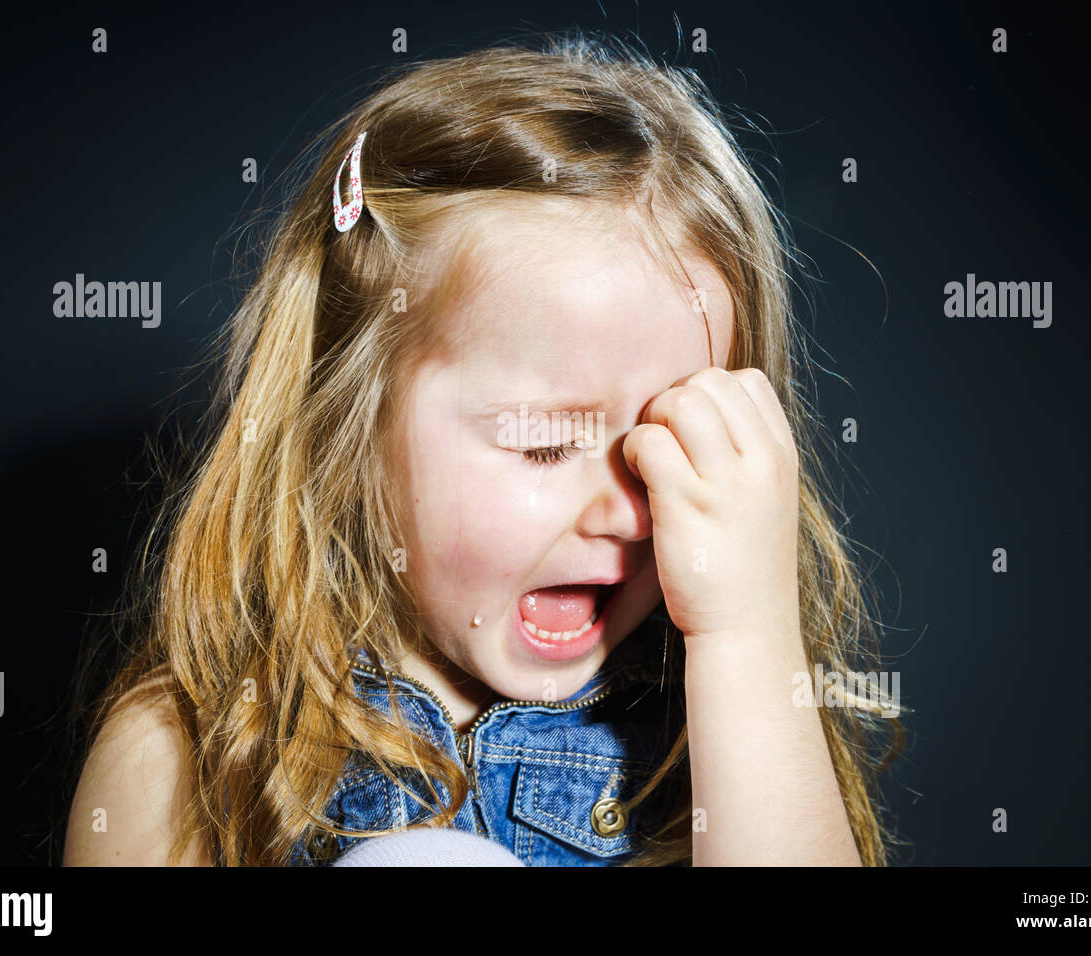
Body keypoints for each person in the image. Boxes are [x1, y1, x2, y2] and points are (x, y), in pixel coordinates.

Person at [63, 30, 902, 868]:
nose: (624, 509)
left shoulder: (715, 742)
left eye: (670, 450)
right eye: (542, 444)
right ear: (346, 427)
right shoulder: (186, 755)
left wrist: (747, 637)